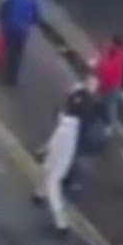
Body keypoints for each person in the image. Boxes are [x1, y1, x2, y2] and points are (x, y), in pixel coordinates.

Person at [36, 92, 83, 234]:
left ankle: (62, 224)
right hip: (60, 160)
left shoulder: (63, 130)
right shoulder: (74, 124)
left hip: (58, 161)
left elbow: (53, 144)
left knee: (52, 186)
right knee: (45, 172)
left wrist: (42, 151)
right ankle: (39, 194)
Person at [0, 0, 42, 86]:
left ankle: (4, 72)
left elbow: (3, 9)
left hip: (9, 26)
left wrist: (3, 22)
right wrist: (29, 22)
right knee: (18, 53)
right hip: (22, 29)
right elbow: (36, 17)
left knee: (7, 48)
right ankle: (12, 79)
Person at [90, 36, 123, 132]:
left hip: (112, 85)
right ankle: (102, 114)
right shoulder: (121, 54)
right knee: (109, 102)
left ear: (115, 45)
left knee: (110, 105)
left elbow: (106, 73)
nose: (110, 45)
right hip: (116, 84)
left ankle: (111, 125)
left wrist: (101, 88)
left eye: (112, 43)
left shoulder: (115, 60)